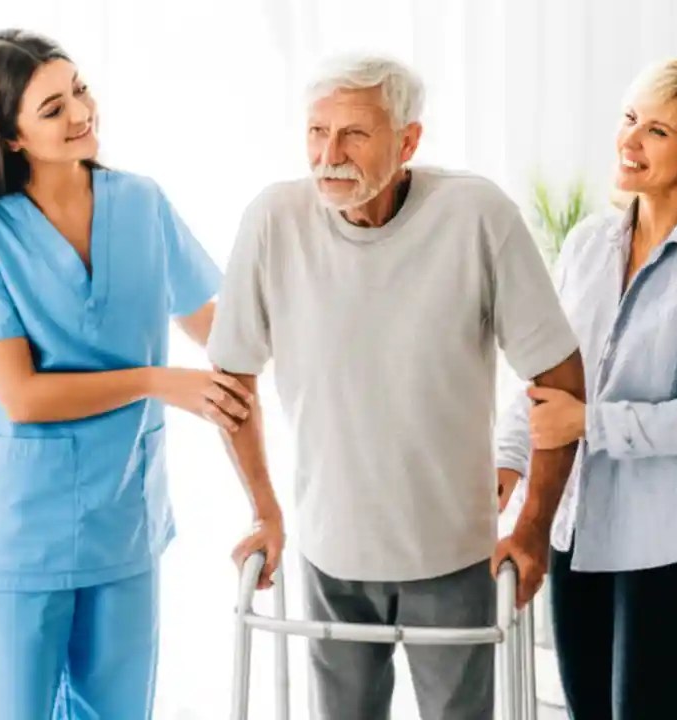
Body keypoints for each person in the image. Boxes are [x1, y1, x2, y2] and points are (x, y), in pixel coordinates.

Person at [207, 54, 585, 720]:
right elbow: (232, 380)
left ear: (408, 140)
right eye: (317, 132)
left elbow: (559, 378)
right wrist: (264, 508)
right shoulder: (273, 220)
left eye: (353, 134)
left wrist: (531, 531)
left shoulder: (476, 215)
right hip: (332, 554)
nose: (329, 155)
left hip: (451, 553)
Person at [0, 29, 251, 719]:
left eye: (79, 89)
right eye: (52, 109)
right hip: (18, 535)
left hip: (122, 522)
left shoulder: (141, 204)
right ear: (9, 135)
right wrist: (156, 381)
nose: (81, 113)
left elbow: (221, 332)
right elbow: (21, 395)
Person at [493, 55, 677, 719]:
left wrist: (587, 423)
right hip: (582, 530)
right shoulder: (588, 243)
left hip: (674, 545)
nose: (628, 140)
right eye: (629, 119)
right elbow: (549, 376)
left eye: (657, 131)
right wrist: (508, 460)